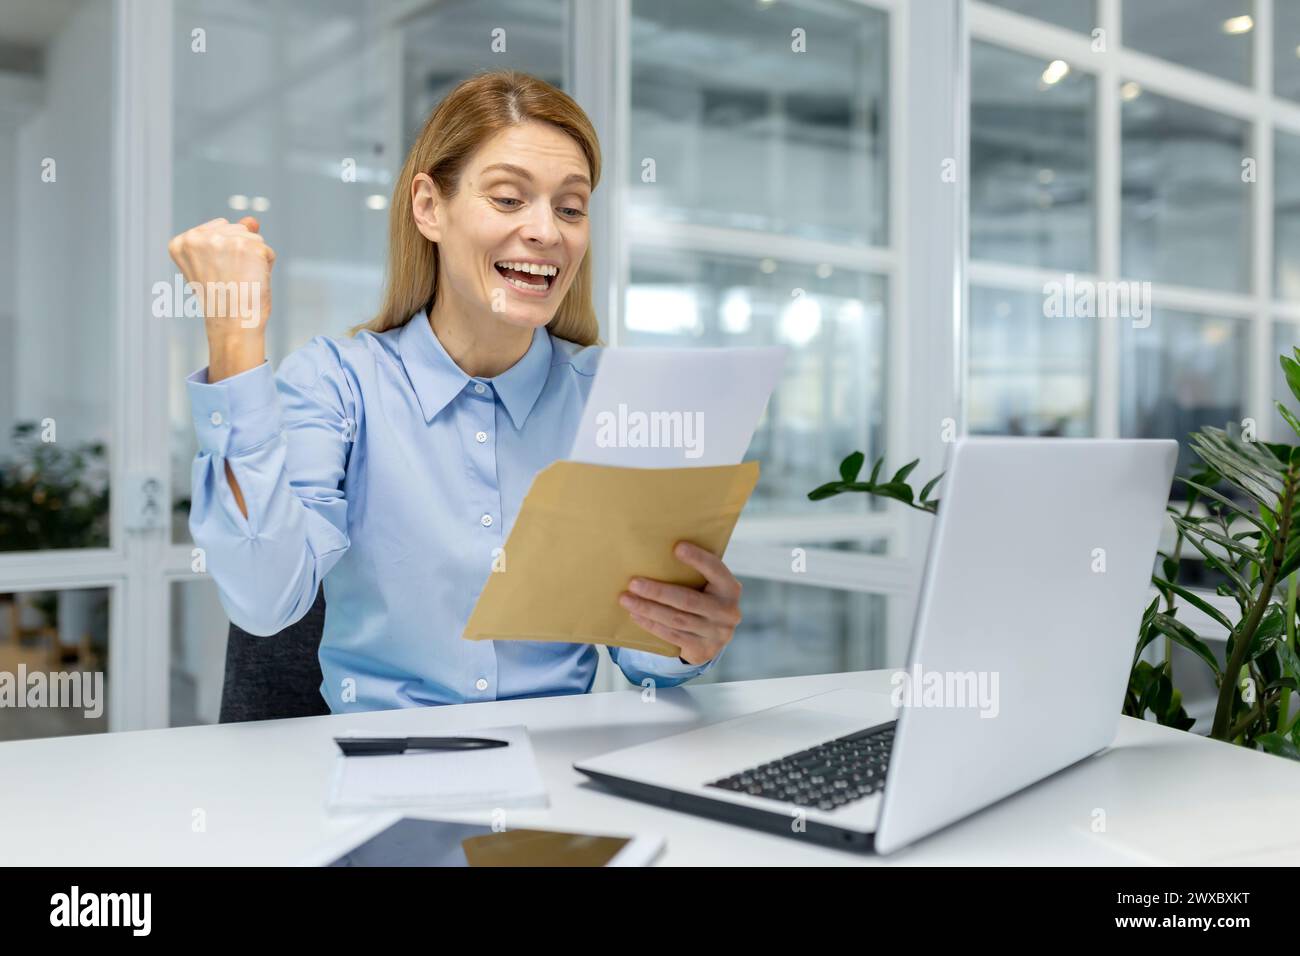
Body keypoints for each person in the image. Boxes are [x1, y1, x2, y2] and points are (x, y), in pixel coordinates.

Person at [168, 70, 742, 714]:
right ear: (428, 207)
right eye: (508, 199)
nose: (547, 232)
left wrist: (690, 637)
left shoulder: (612, 401)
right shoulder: (336, 384)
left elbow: (645, 659)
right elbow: (265, 600)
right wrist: (234, 336)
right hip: (380, 771)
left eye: (571, 207)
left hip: (556, 772)